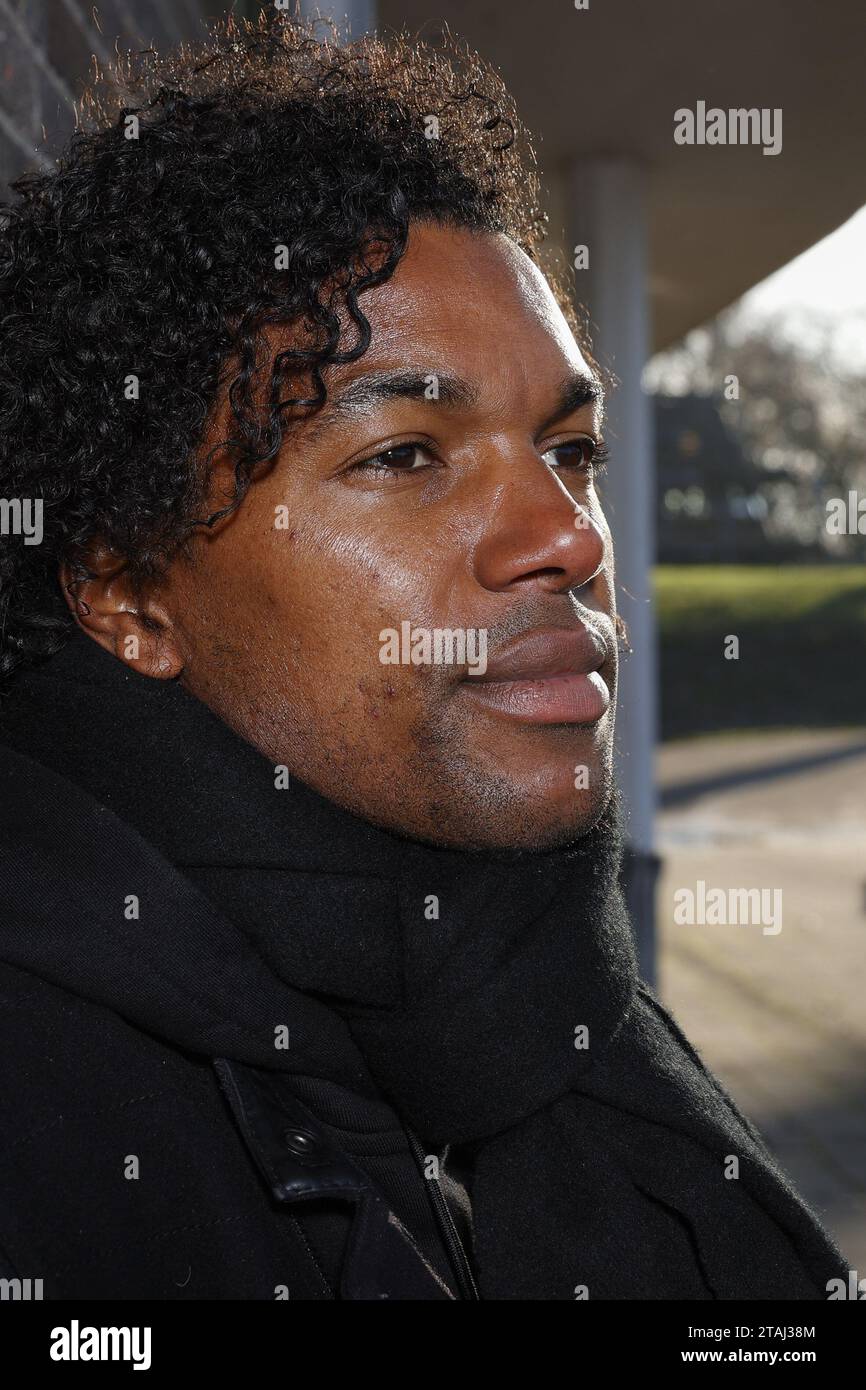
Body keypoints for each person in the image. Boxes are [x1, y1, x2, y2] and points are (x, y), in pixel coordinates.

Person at [0, 12, 848, 1299]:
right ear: (129, 594)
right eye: (404, 456)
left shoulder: (554, 1000)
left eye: (569, 453)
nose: (564, 536)